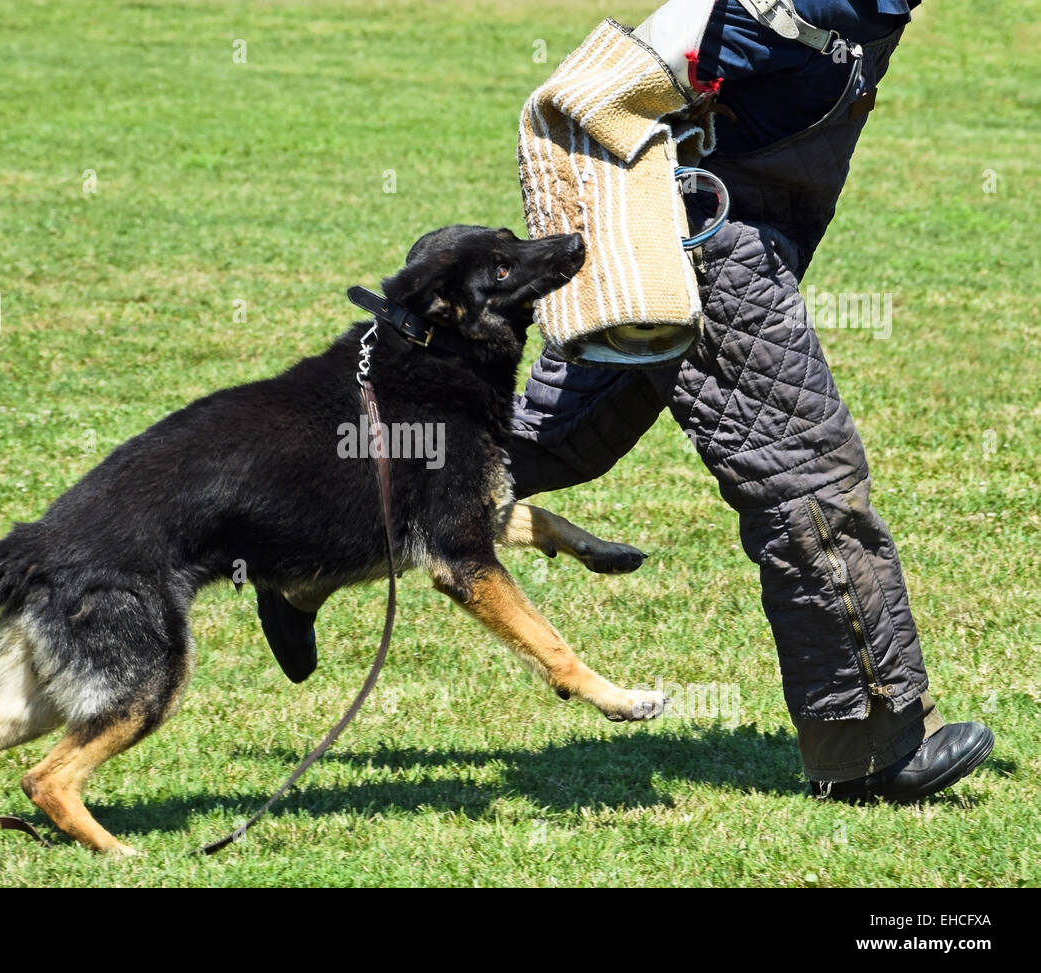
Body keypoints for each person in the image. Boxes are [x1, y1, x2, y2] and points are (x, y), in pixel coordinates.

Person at [258, 0, 995, 803]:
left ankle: (302, 558)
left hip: (713, 246)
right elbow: (574, 98)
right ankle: (867, 750)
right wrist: (602, 253)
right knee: (806, 484)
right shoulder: (769, 7)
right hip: (700, 261)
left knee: (536, 446)